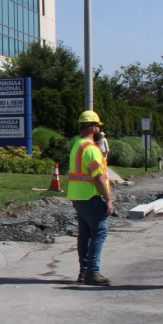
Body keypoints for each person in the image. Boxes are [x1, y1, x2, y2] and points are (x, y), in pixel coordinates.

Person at [67, 110, 113, 286]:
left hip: (78, 197)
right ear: (94, 128)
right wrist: (108, 199)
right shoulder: (91, 149)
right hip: (90, 196)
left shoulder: (77, 145)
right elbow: (98, 177)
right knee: (100, 231)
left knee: (85, 234)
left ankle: (84, 271)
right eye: (98, 126)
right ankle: (92, 272)